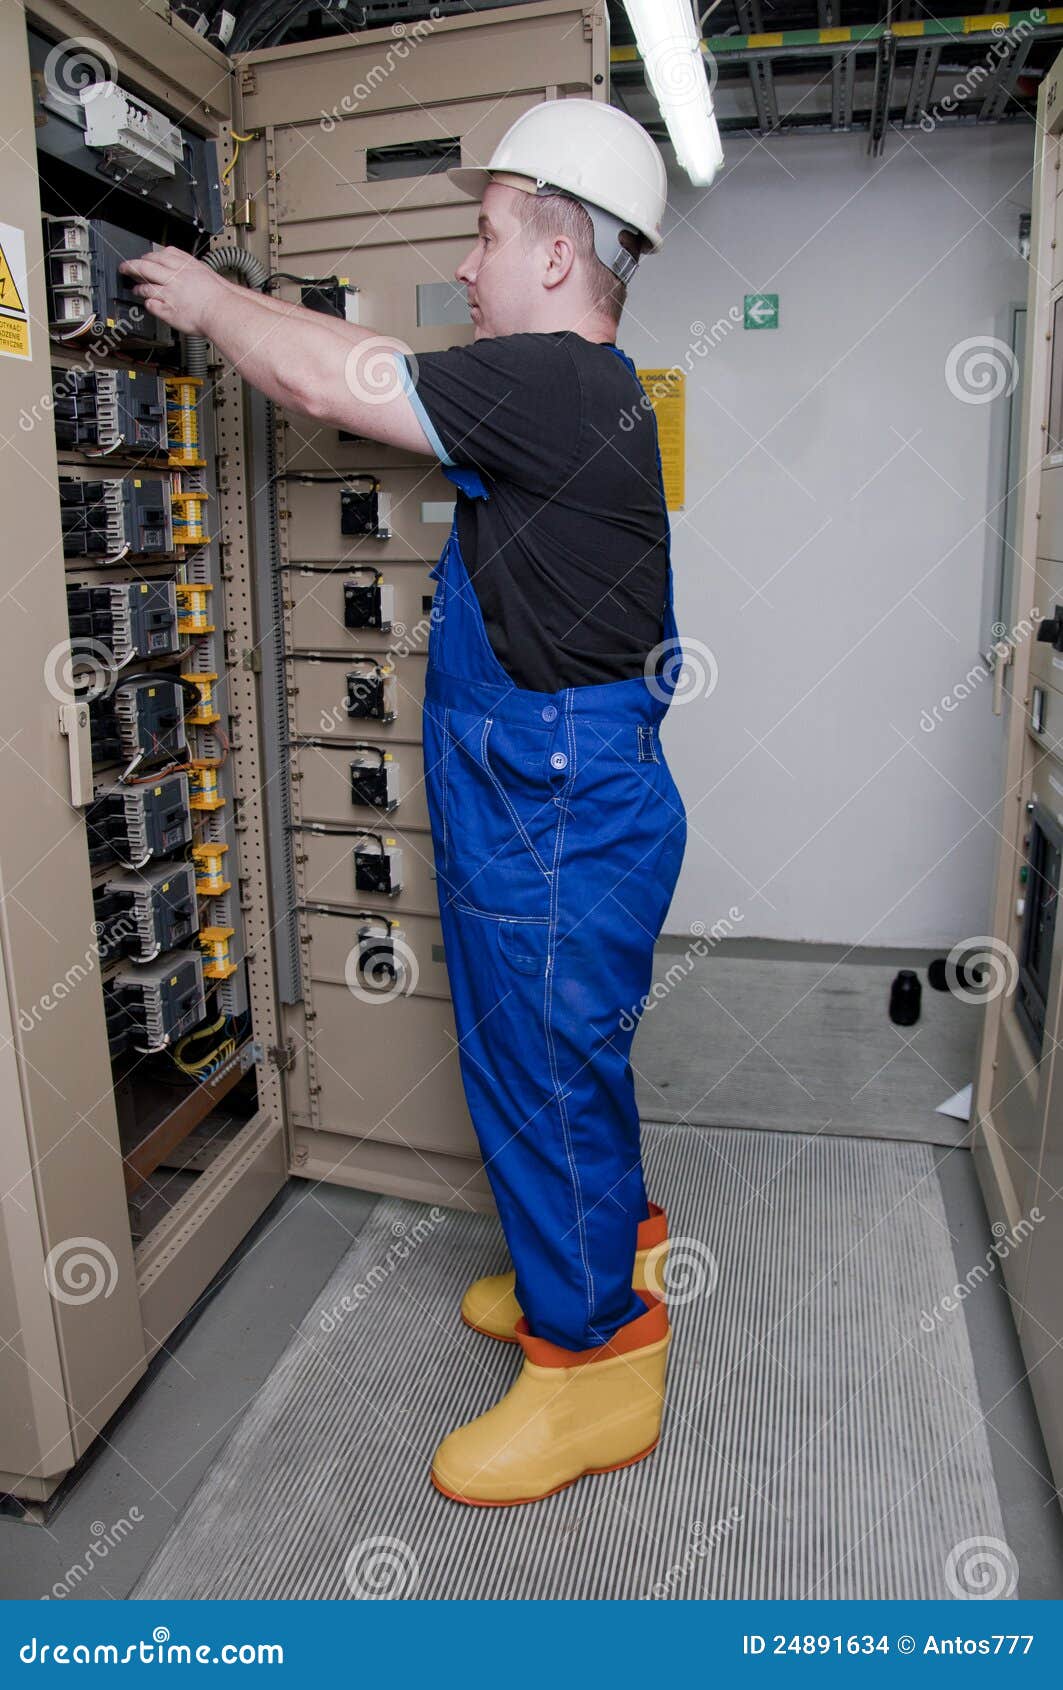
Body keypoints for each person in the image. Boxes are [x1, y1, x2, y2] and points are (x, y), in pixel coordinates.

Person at [120, 96, 688, 1509]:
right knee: (560, 1061)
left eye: (489, 236)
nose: (469, 266)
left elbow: (330, 379)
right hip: (560, 796)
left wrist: (204, 294)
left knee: (546, 1072)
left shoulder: (557, 378)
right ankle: (607, 1249)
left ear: (560, 254)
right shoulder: (580, 391)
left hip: (552, 811)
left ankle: (597, 1359)